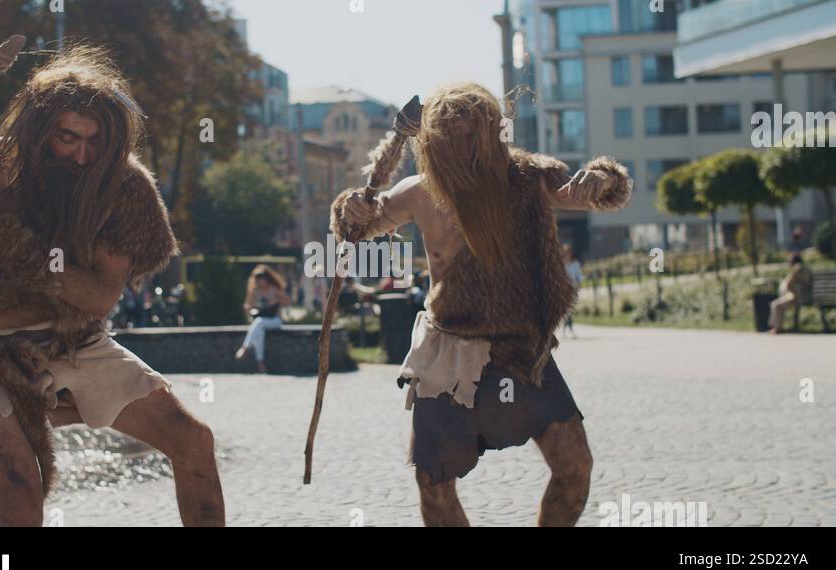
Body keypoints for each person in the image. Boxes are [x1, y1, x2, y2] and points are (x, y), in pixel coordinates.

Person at [0, 47, 224, 526]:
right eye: (67, 137)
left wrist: (10, 242)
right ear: (37, 132)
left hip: (77, 343)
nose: (81, 154)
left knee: (194, 441)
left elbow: (97, 297)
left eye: (93, 142)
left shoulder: (123, 191)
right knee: (20, 493)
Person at [330, 83, 631, 526]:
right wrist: (350, 208)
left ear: (495, 132)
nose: (470, 147)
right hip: (449, 353)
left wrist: (603, 176)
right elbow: (360, 225)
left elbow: (582, 192)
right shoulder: (419, 192)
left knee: (574, 466)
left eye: (478, 135)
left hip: (520, 350)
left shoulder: (527, 177)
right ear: (436, 142)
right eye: (457, 137)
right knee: (434, 485)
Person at [235, 265, 291, 373]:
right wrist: (254, 307)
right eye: (257, 279)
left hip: (274, 320)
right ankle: (261, 364)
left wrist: (276, 300)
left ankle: (245, 348)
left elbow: (288, 302)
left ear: (267, 278)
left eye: (261, 278)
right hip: (260, 319)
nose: (260, 281)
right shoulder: (255, 291)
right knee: (259, 330)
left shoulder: (274, 289)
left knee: (259, 323)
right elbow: (246, 305)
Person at [768, 252, 813, 334]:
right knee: (777, 305)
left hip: (797, 297)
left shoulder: (798, 268)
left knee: (776, 305)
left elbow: (790, 281)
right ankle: (778, 326)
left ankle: (777, 328)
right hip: (800, 296)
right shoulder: (805, 269)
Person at [562, 245, 583, 339]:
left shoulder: (576, 264)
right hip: (563, 290)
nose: (567, 254)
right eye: (566, 253)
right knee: (567, 310)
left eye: (569, 252)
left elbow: (579, 277)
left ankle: (566, 329)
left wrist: (579, 285)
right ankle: (570, 330)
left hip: (573, 289)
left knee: (569, 311)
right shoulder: (561, 264)